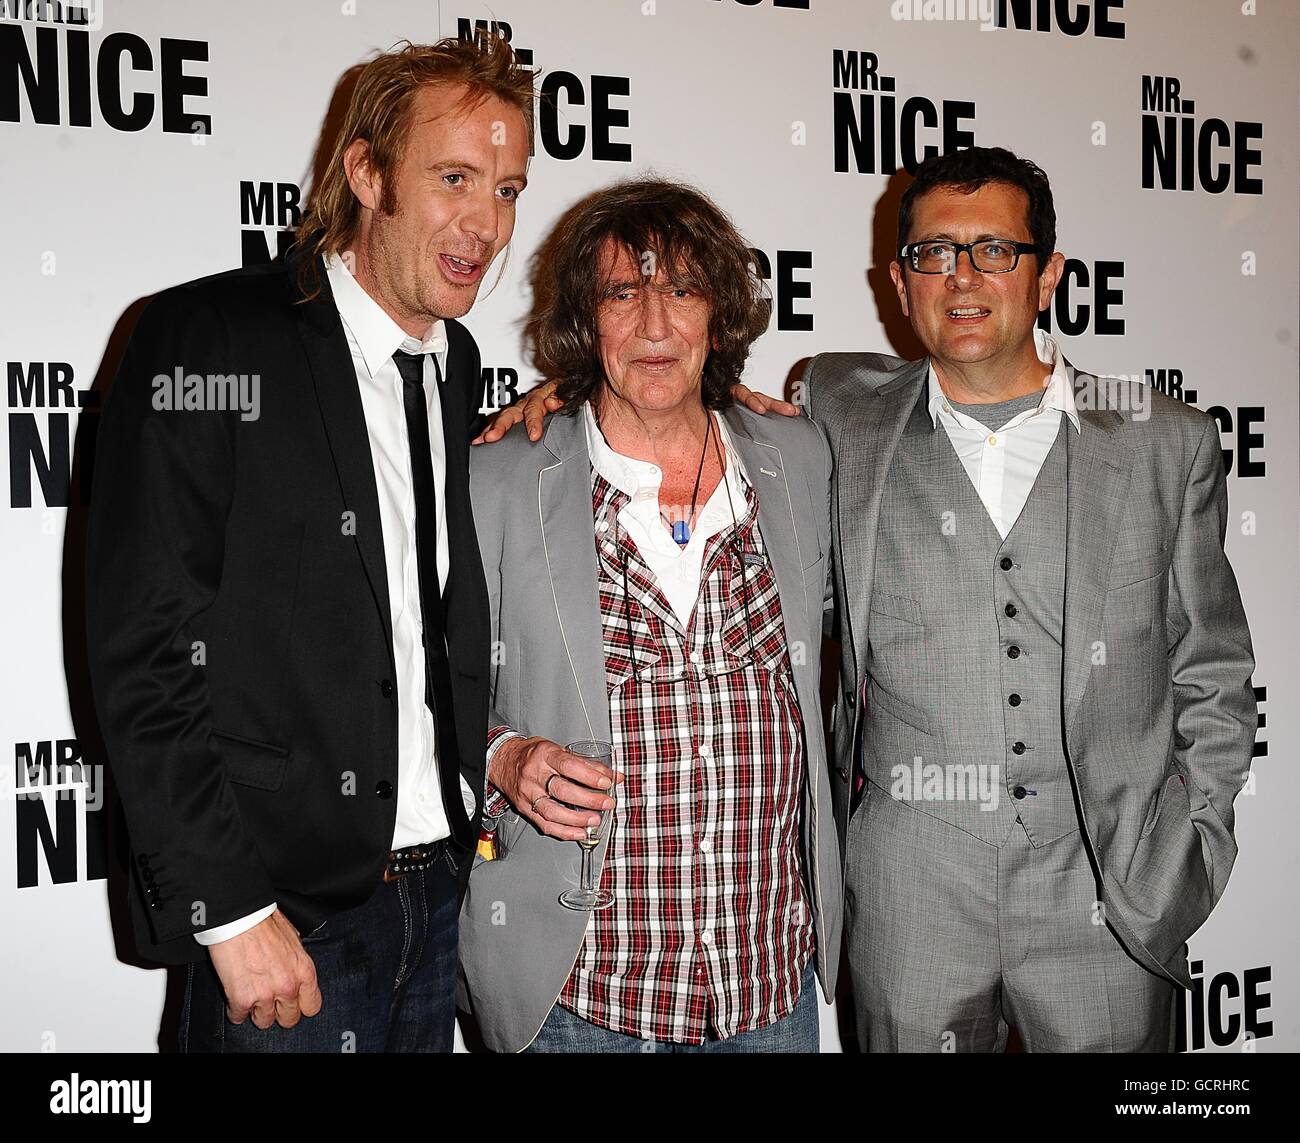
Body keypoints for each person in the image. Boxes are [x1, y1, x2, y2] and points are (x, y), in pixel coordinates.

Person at [480, 146, 1257, 1053]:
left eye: (994, 251)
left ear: (1047, 275)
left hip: (1106, 902)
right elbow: (656, 380)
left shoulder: (1164, 439)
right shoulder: (838, 411)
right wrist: (564, 390)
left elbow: (1214, 670)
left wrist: (1188, 853)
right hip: (906, 909)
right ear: (899, 279)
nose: (962, 278)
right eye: (933, 254)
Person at [84, 36, 533, 1052]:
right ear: (366, 172)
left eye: (507, 189)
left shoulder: (453, 362)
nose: (486, 224)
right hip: (289, 918)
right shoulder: (209, 338)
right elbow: (143, 649)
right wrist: (231, 913)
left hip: (438, 896)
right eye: (453, 178)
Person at [459, 179, 842, 1053]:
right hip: (584, 998)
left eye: (682, 289)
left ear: (721, 311)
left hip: (770, 991)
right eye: (623, 294)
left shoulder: (800, 458)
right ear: (587, 323)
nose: (657, 325)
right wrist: (500, 755)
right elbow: (417, 688)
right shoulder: (499, 480)